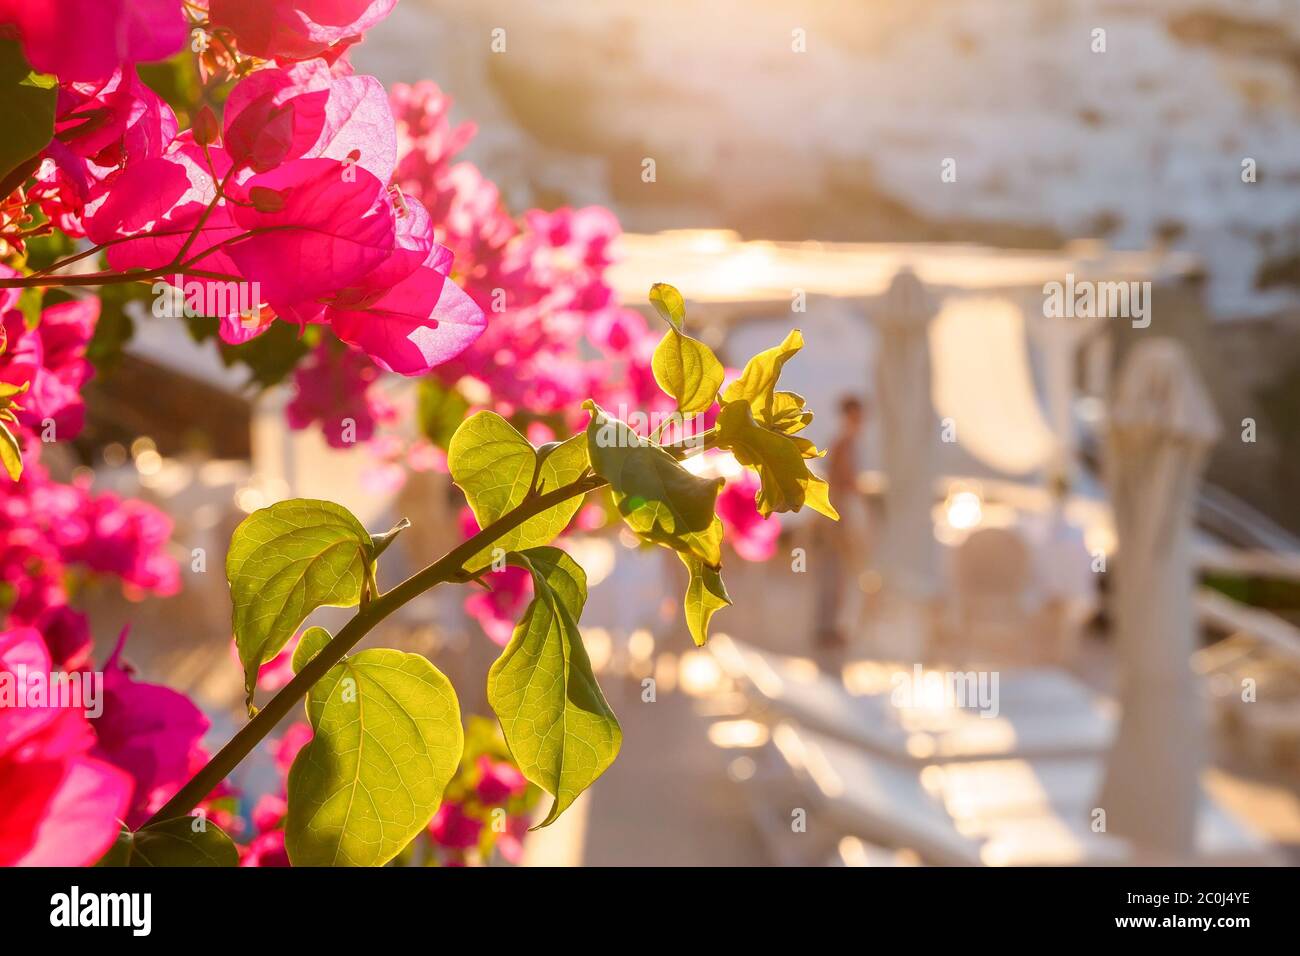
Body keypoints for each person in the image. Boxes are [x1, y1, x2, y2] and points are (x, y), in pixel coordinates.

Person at [812, 395, 865, 649]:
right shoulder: (843, 444)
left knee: (838, 574)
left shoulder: (846, 443)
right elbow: (842, 481)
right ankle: (827, 629)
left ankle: (831, 627)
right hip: (837, 515)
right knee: (834, 573)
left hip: (839, 514)